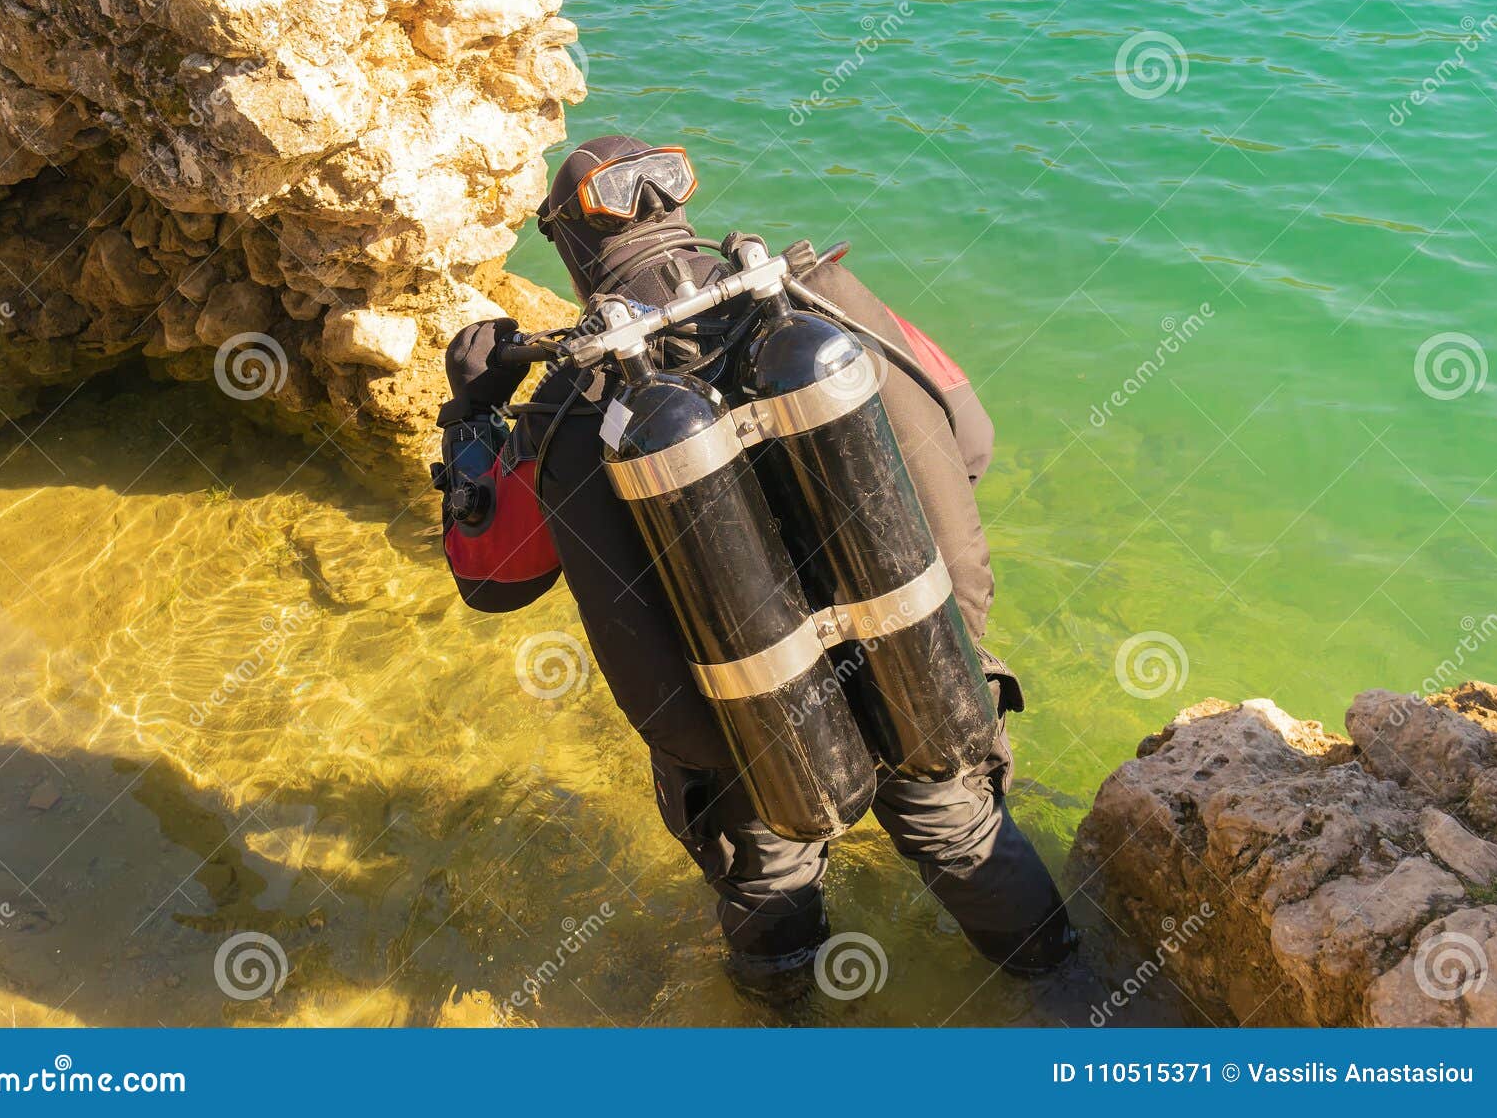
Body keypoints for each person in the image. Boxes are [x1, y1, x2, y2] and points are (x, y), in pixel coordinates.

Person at [434, 134, 1077, 992]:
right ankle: (1077, 1000)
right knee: (958, 828)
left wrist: (472, 416)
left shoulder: (569, 400)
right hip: (913, 660)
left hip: (751, 730)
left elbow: (492, 581)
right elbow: (971, 445)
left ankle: (788, 1040)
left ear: (570, 247)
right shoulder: (812, 299)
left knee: (771, 879)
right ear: (680, 204)